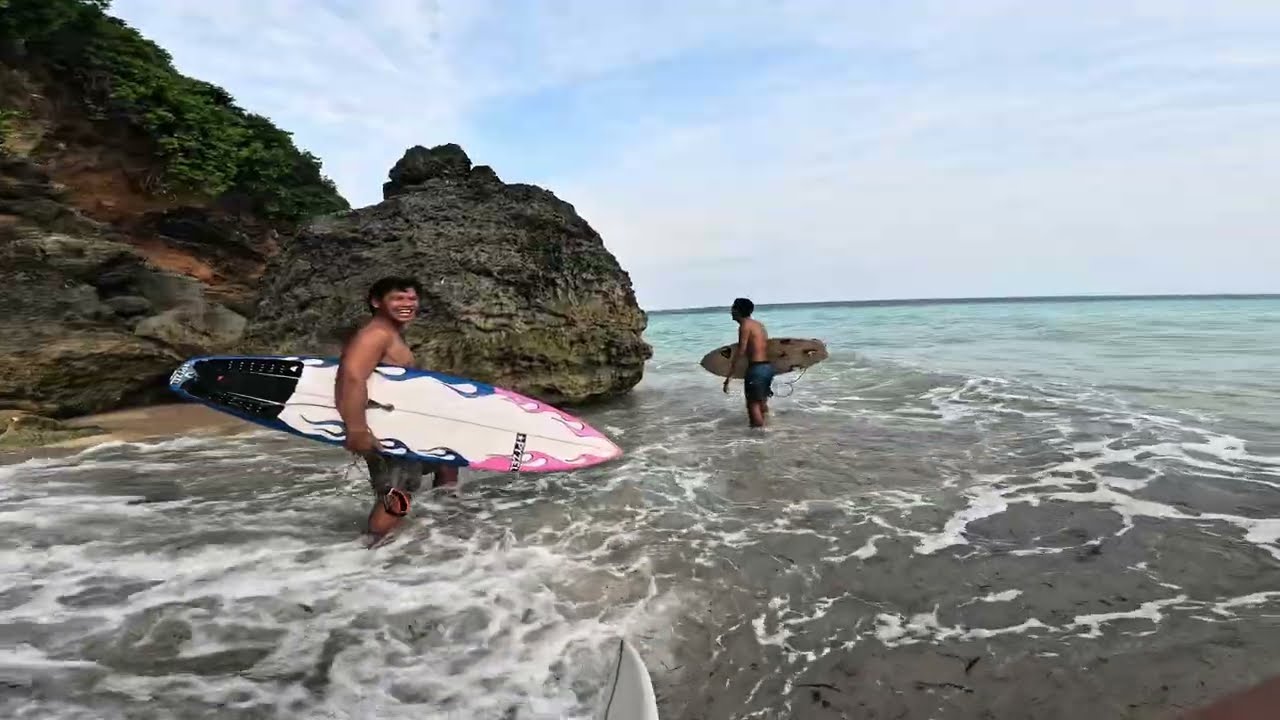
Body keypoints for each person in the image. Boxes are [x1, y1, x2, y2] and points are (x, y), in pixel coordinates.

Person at [335, 275, 459, 540]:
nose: (407, 304)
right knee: (398, 491)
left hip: (402, 426)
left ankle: (444, 527)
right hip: (384, 428)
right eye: (398, 298)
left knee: (446, 461)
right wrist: (357, 430)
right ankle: (371, 549)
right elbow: (352, 377)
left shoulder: (391, 335)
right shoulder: (375, 335)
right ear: (376, 302)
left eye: (412, 298)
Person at [722, 297, 774, 428]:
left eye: (733, 308)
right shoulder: (759, 325)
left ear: (738, 310)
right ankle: (769, 428)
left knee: (752, 404)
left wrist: (729, 376)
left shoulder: (745, 326)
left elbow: (741, 351)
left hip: (756, 369)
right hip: (767, 368)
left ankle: (758, 436)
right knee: (761, 401)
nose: (731, 311)